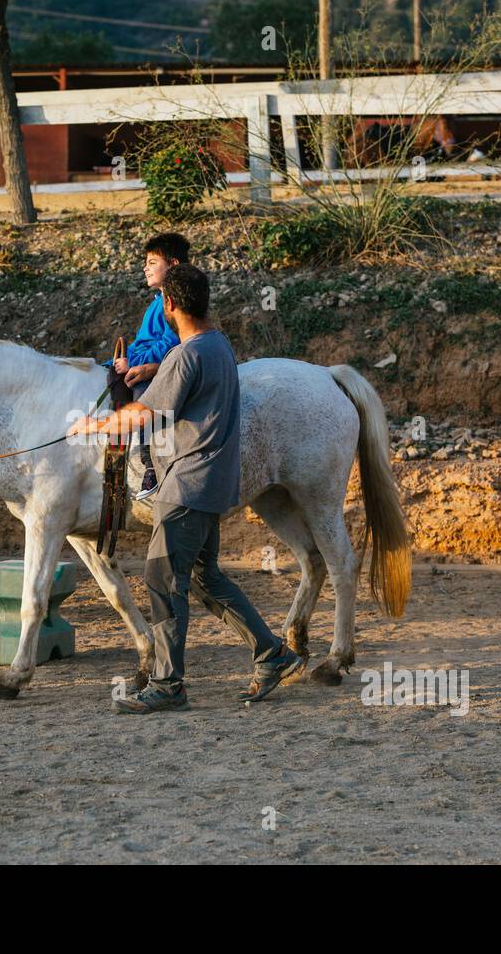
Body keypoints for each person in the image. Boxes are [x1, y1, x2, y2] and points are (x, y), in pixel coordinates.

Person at [69, 264, 304, 714]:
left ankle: (168, 684)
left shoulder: (187, 355)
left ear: (169, 304)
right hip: (212, 484)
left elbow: (144, 415)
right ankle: (272, 654)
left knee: (161, 578)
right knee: (203, 576)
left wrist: (92, 425)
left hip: (187, 484)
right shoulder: (218, 345)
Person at [110, 232, 187, 500]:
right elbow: (143, 343)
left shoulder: (173, 303)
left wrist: (134, 362)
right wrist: (120, 359)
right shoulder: (156, 303)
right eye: (146, 262)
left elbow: (171, 341)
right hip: (143, 360)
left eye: (153, 262)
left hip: (164, 369)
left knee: (143, 391)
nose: (146, 267)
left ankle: (151, 462)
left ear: (174, 265)